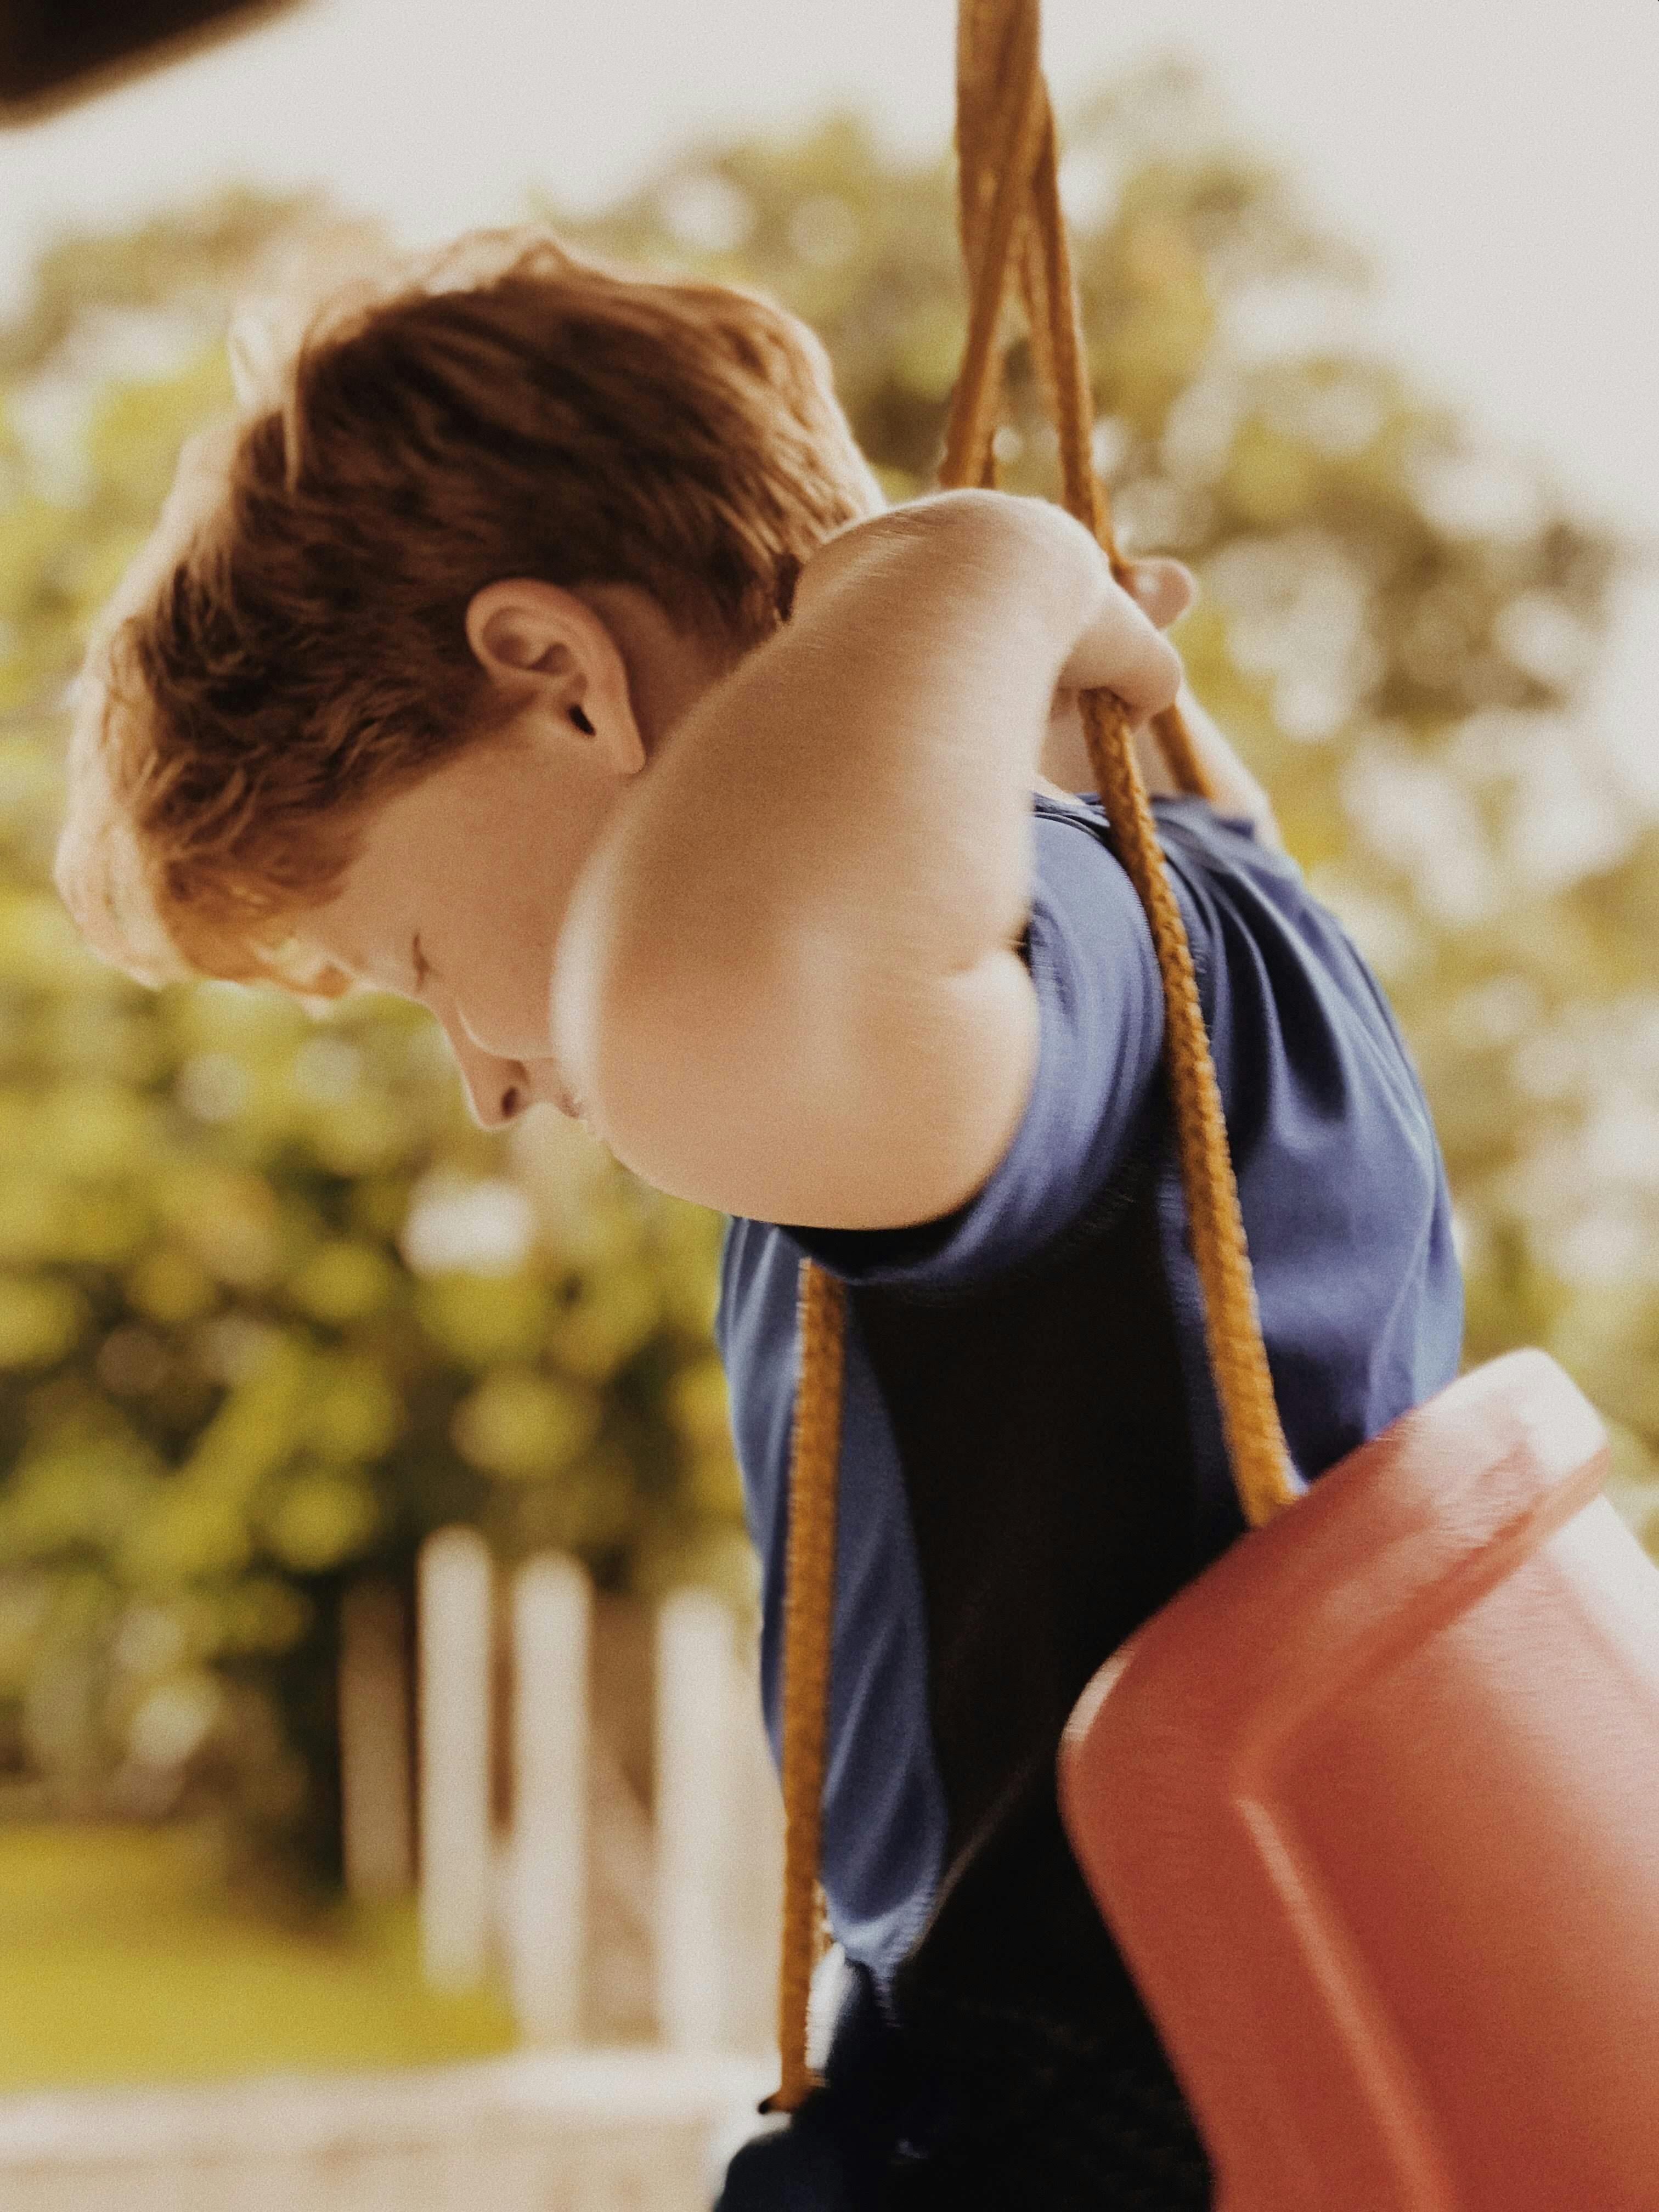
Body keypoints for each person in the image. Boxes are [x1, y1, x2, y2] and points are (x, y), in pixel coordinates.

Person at [54, 227, 1463, 2208]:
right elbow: (1160, 795)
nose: (486, 1078)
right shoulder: (1140, 927)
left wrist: (977, 567)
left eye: (424, 964)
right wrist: (1032, 675)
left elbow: (714, 1008)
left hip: (1111, 2112)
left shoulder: (1030, 957)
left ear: (559, 680)